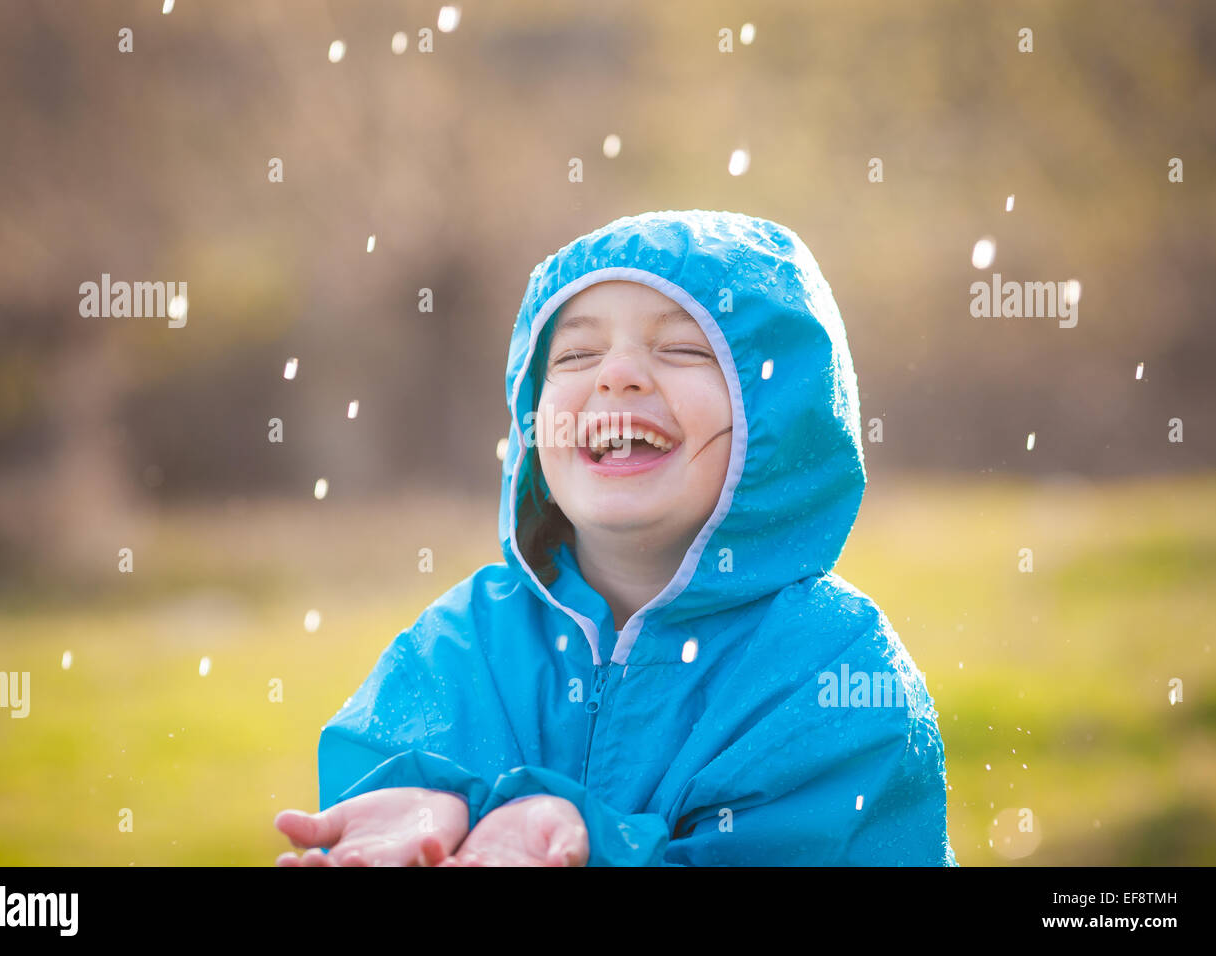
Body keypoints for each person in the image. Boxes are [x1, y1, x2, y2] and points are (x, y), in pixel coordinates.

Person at [274, 209, 957, 866]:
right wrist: (427, 815)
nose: (617, 373)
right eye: (575, 352)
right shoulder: (465, 643)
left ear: (779, 413)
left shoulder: (832, 667)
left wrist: (587, 846)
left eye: (685, 348)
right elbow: (389, 784)